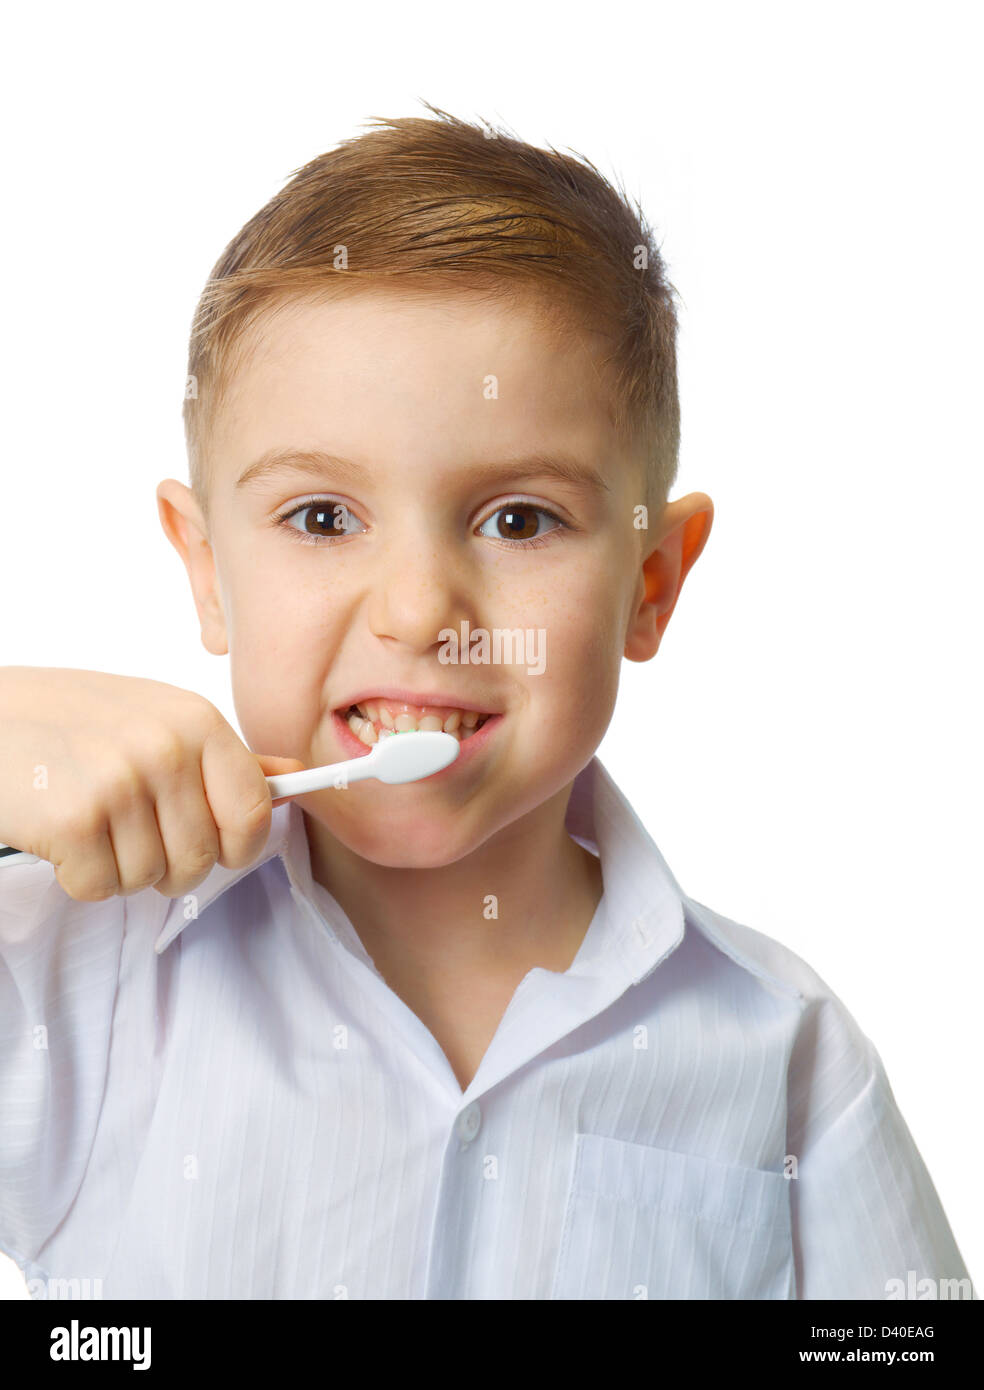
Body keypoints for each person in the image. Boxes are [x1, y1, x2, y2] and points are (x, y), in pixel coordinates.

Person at [0, 105, 973, 1300]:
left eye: (519, 519)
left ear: (651, 585)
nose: (419, 609)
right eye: (321, 517)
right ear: (208, 573)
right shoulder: (65, 967)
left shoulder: (785, 1054)